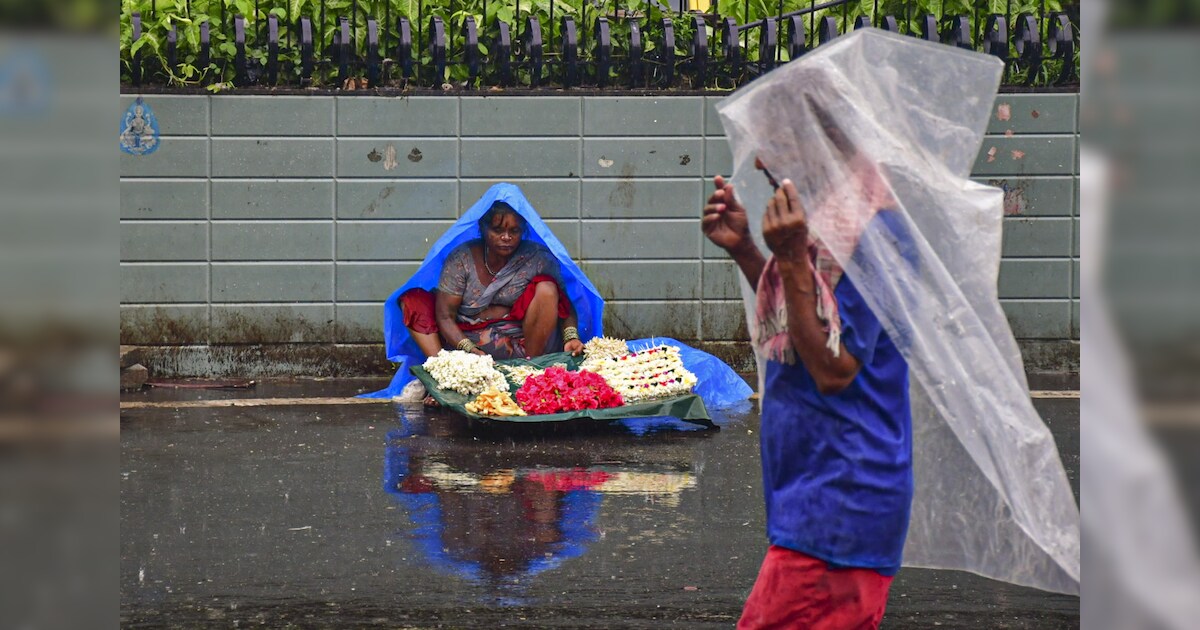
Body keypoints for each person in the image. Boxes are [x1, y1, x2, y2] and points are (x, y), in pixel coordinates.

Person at [702, 157, 912, 629]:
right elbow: (807, 320)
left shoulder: (873, 232)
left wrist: (793, 255)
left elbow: (833, 368)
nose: (759, 161)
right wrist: (748, 251)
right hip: (816, 498)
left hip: (839, 505)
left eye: (776, 141)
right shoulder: (830, 221)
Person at [399, 200, 586, 361]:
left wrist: (571, 337)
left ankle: (530, 370)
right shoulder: (462, 259)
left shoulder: (537, 258)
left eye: (514, 231)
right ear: (482, 228)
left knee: (547, 288)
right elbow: (444, 315)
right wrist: (469, 349)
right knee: (414, 300)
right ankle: (441, 372)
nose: (506, 238)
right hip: (466, 344)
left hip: (523, 345)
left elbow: (564, 306)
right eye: (498, 230)